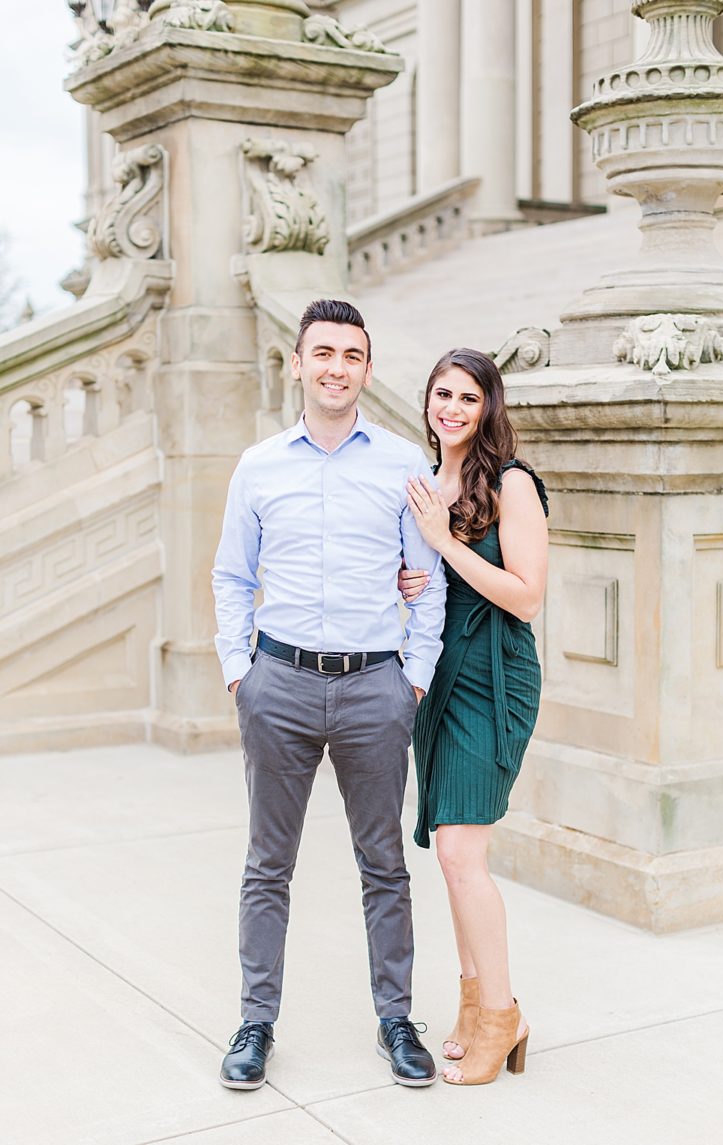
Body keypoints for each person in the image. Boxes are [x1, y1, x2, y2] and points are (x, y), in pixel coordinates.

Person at [211, 299, 447, 1091]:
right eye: (323, 352)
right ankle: (255, 1020)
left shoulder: (403, 463)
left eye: (351, 354)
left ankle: (395, 1018)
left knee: (382, 864)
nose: (336, 367)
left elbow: (430, 578)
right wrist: (238, 670)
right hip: (276, 683)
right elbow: (232, 575)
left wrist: (413, 676)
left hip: (374, 687)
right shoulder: (259, 464)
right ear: (299, 363)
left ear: (367, 369)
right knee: (266, 863)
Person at [402, 347, 549, 1086]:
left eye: (468, 397)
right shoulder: (432, 483)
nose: (452, 408)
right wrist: (414, 578)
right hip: (442, 675)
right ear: (427, 402)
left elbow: (525, 596)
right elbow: (439, 585)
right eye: (442, 394)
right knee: (451, 854)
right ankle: (472, 1004)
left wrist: (444, 544)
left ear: (488, 406)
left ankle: (503, 1014)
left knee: (464, 853)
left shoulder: (513, 482)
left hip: (495, 675)